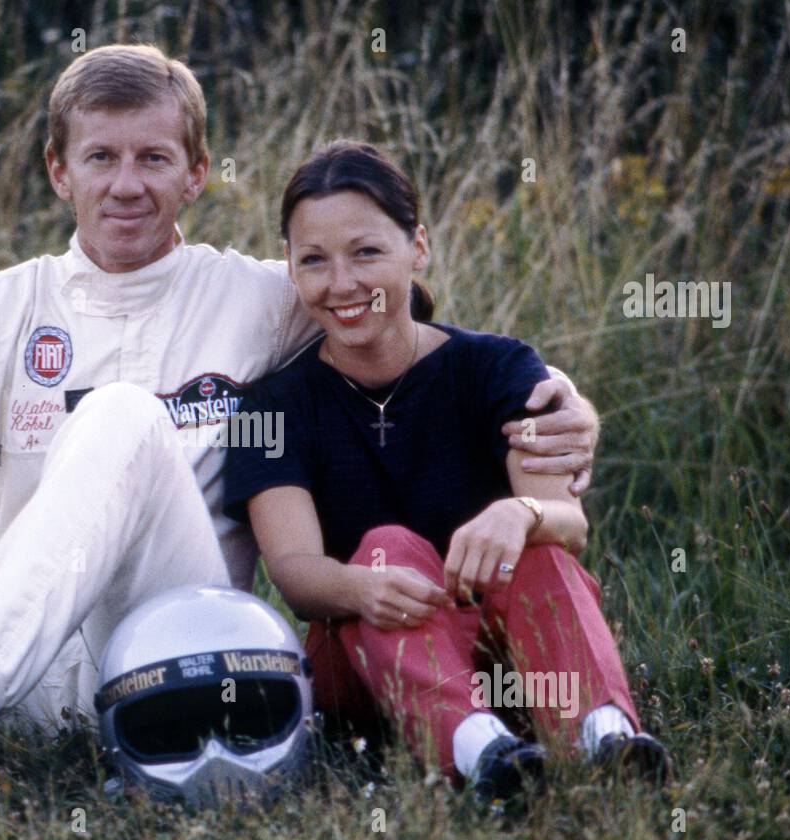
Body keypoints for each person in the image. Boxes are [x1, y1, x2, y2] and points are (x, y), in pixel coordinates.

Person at [0, 47, 601, 825]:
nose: (127, 184)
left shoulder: (265, 295)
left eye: (155, 158)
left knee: (121, 412)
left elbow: (404, 324)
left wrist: (560, 399)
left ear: (197, 173)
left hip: (175, 655)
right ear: (59, 171)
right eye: (100, 158)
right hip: (18, 674)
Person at [224, 141, 669, 804]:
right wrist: (358, 587)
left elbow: (569, 525)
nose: (341, 283)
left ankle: (603, 736)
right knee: (386, 550)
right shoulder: (272, 404)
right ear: (289, 267)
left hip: (504, 655)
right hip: (369, 661)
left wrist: (518, 514)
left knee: (540, 554)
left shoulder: (496, 366)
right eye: (313, 260)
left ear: (419, 247)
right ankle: (481, 752)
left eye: (366, 252)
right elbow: (295, 573)